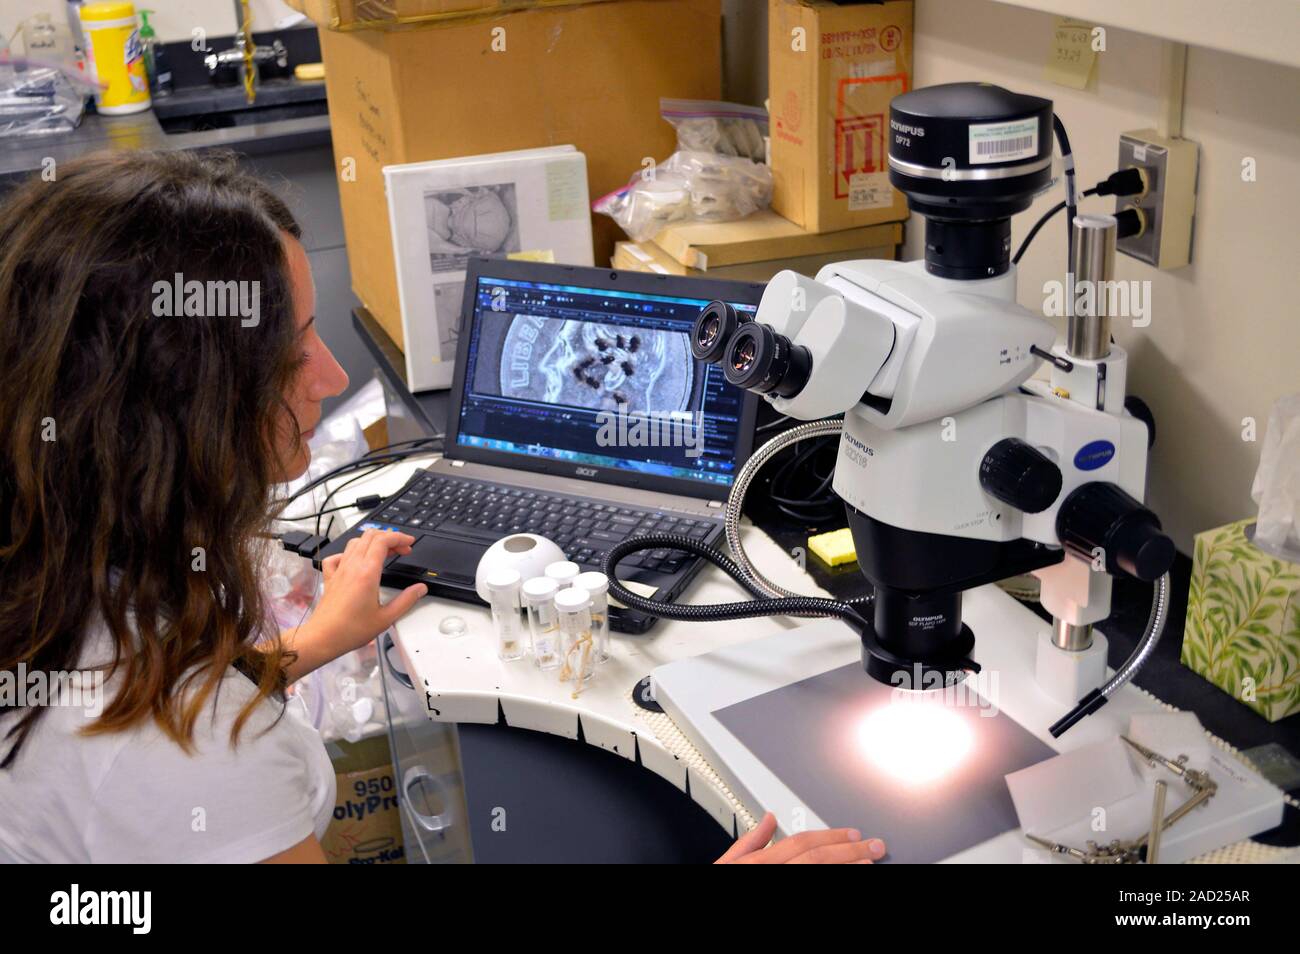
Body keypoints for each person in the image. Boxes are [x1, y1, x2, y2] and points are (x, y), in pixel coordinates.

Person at [0, 150, 886, 865]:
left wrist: (300, 652)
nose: (333, 376)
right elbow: (163, 759)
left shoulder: (58, 590)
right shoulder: (190, 760)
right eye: (295, 347)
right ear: (183, 399)